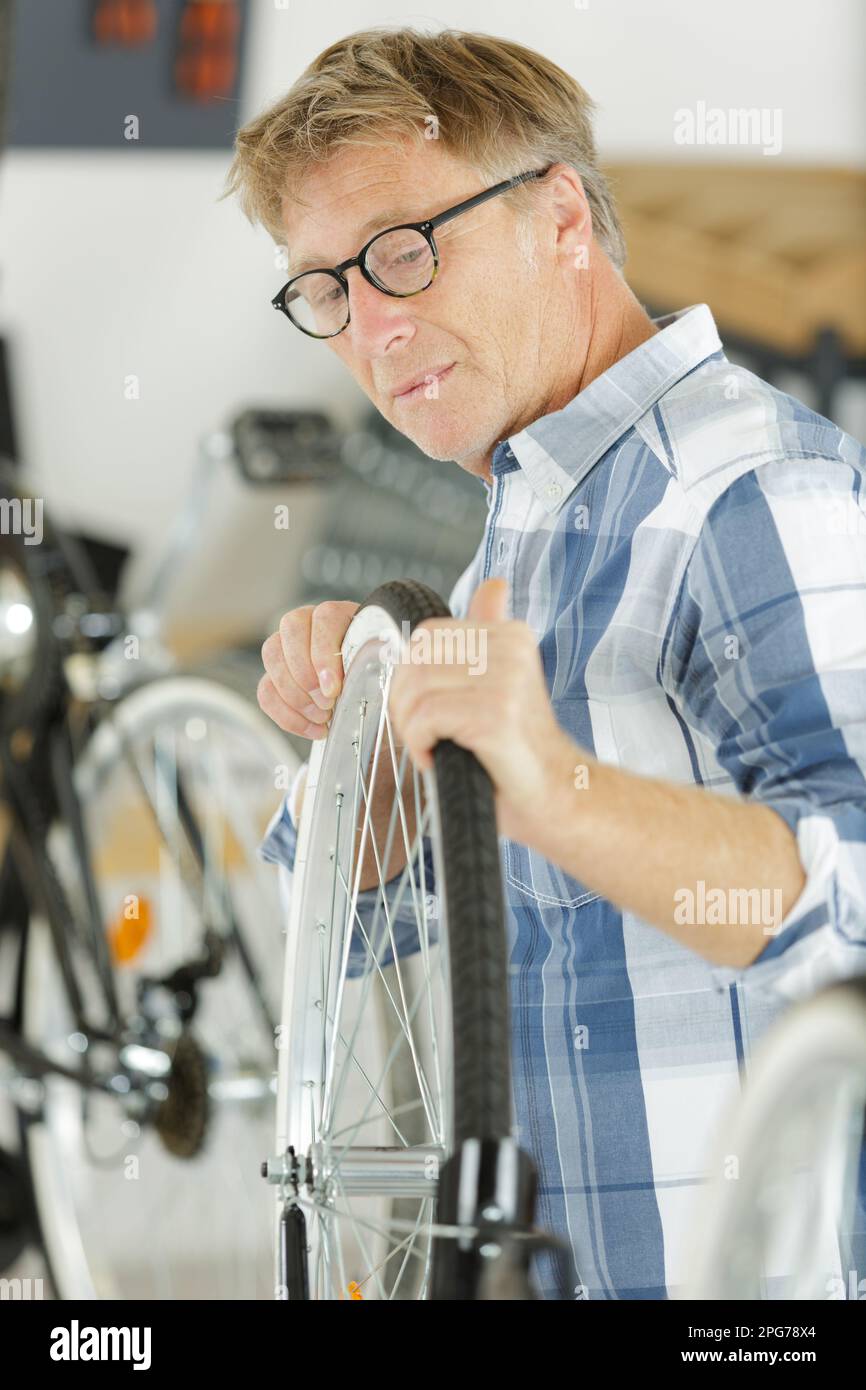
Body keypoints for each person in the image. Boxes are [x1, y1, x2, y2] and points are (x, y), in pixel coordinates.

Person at [225, 27, 866, 1298]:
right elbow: (409, 933)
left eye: (403, 252)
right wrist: (362, 771)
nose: (372, 328)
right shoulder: (527, 516)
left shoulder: (745, 486)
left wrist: (555, 786)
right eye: (328, 291)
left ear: (559, 216)